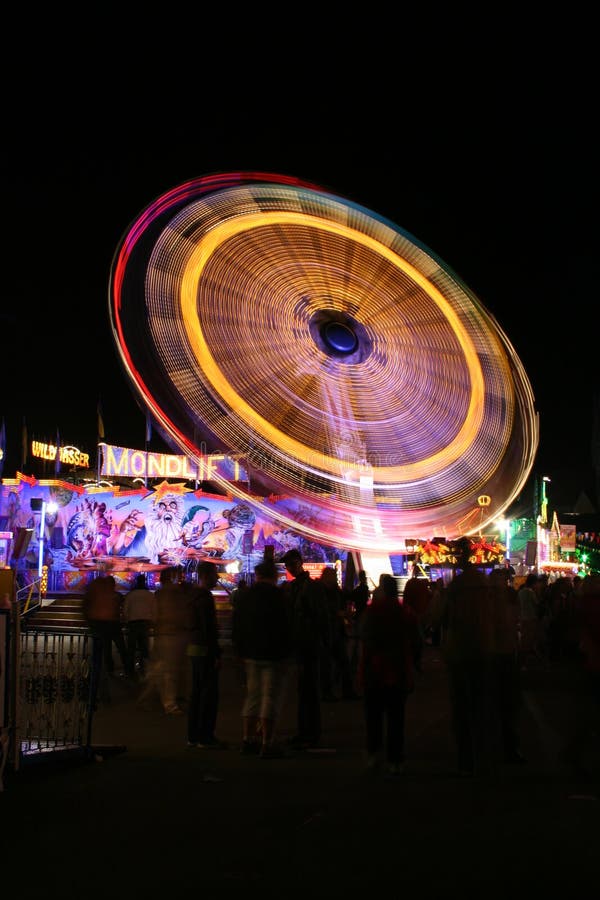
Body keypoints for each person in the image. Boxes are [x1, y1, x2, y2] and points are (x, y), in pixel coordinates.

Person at [440, 537, 495, 777]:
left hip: (461, 649)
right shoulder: (485, 585)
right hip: (484, 648)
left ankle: (466, 758)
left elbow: (441, 616)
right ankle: (483, 756)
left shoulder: (456, 586)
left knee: (462, 706)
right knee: (481, 704)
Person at [358, 573, 420, 777]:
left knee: (374, 715)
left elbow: (364, 639)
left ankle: (373, 753)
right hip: (398, 669)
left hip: (375, 670)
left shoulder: (372, 612)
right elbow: (416, 640)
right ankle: (395, 759)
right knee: (396, 717)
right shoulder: (405, 612)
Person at [231, 560, 292, 758]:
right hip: (273, 654)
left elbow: (237, 625)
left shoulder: (246, 596)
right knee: (270, 697)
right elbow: (285, 626)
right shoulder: (279, 597)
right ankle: (267, 742)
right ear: (274, 575)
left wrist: (239, 651)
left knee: (253, 696)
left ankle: (247, 739)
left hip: (251, 653)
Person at [281, 548, 330, 750]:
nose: (290, 568)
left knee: (309, 690)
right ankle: (305, 732)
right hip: (302, 644)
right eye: (287, 565)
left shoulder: (310, 588)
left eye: (292, 564)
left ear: (300, 563)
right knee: (304, 691)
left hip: (309, 644)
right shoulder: (295, 587)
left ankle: (310, 733)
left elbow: (320, 618)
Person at [185, 561, 227, 749]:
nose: (218, 578)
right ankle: (205, 736)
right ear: (205, 576)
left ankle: (193, 735)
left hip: (194, 647)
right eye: (215, 574)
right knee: (208, 693)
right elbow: (208, 628)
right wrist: (216, 652)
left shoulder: (192, 596)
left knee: (196, 692)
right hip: (205, 649)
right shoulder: (205, 598)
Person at [488, 567, 526, 764]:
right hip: (495, 654)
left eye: (503, 579)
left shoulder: (507, 598)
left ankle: (508, 746)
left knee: (507, 704)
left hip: (505, 653)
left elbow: (513, 622)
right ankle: (503, 746)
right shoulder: (488, 600)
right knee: (498, 703)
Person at [140, 566, 189, 715]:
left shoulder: (159, 594)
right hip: (173, 634)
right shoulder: (177, 593)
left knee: (160, 668)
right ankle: (169, 703)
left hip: (162, 634)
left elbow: (154, 615)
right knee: (170, 671)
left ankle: (147, 698)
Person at [318, 566, 356, 701]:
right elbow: (324, 610)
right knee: (329, 663)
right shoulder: (323, 592)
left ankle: (344, 690)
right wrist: (340, 614)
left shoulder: (334, 591)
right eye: (333, 576)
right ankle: (329, 691)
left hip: (335, 630)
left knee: (341, 662)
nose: (335, 578)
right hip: (327, 631)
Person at [123, 572, 156, 678]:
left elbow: (125, 610)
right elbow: (154, 610)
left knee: (131, 649)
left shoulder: (131, 595)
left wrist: (127, 620)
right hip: (145, 623)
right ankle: (144, 670)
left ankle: (130, 671)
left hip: (133, 623)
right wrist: (152, 621)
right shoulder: (150, 595)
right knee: (144, 649)